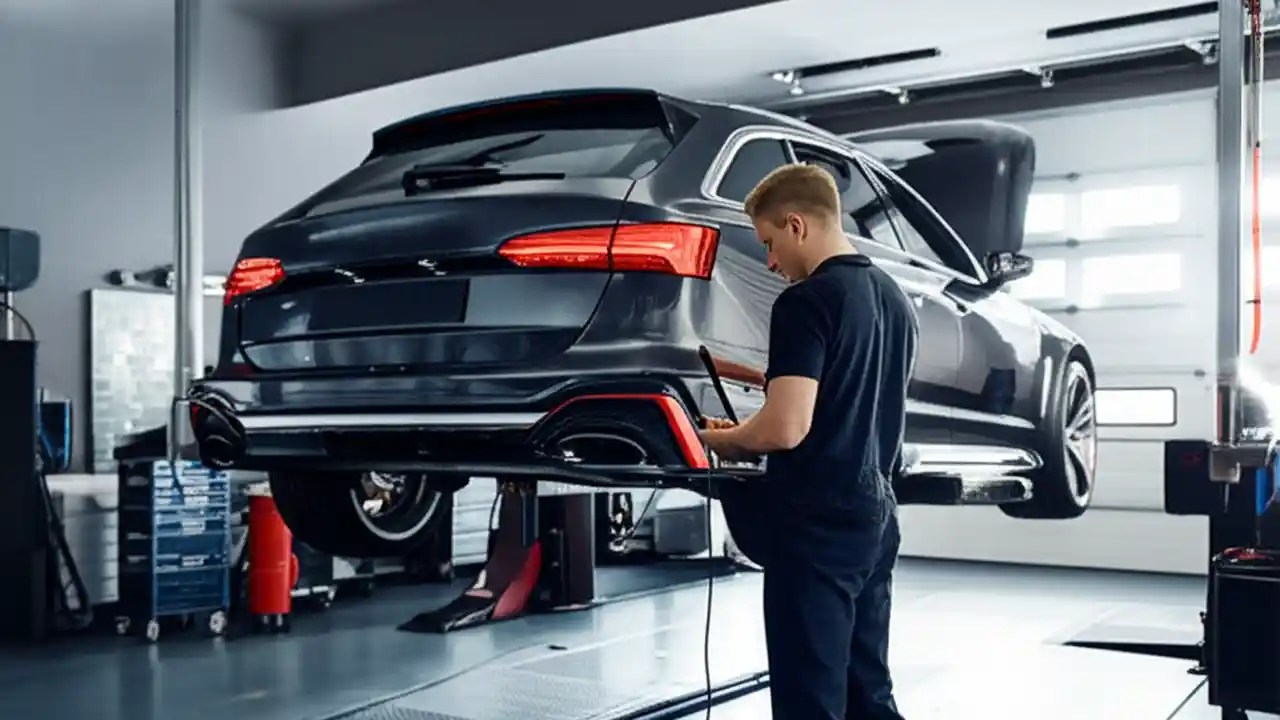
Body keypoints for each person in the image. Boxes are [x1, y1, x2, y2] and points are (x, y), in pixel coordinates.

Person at [698, 163, 918, 720]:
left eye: (769, 244)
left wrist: (725, 442)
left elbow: (785, 427)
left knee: (809, 702)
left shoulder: (806, 301)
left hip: (818, 527)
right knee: (869, 693)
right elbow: (853, 401)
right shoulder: (895, 300)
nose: (772, 263)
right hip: (876, 519)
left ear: (795, 225)